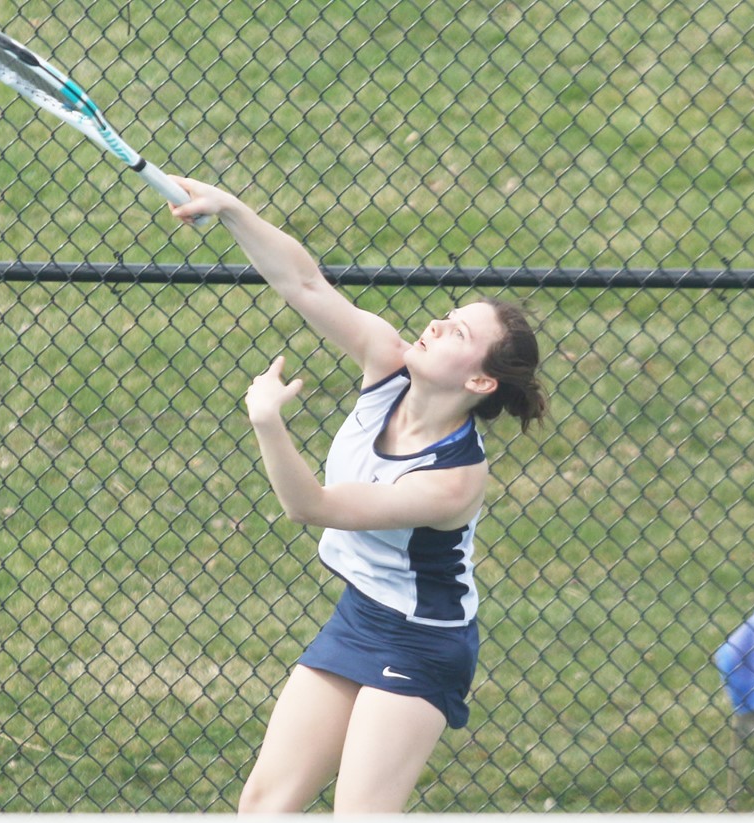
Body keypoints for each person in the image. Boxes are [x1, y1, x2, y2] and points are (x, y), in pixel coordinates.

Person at [168, 178, 547, 813]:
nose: (436, 324)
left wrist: (267, 422)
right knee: (264, 805)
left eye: (457, 333)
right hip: (361, 615)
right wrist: (232, 209)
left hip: (423, 640)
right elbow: (305, 284)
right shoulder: (387, 362)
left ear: (481, 379)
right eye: (448, 316)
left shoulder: (453, 479)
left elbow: (309, 507)